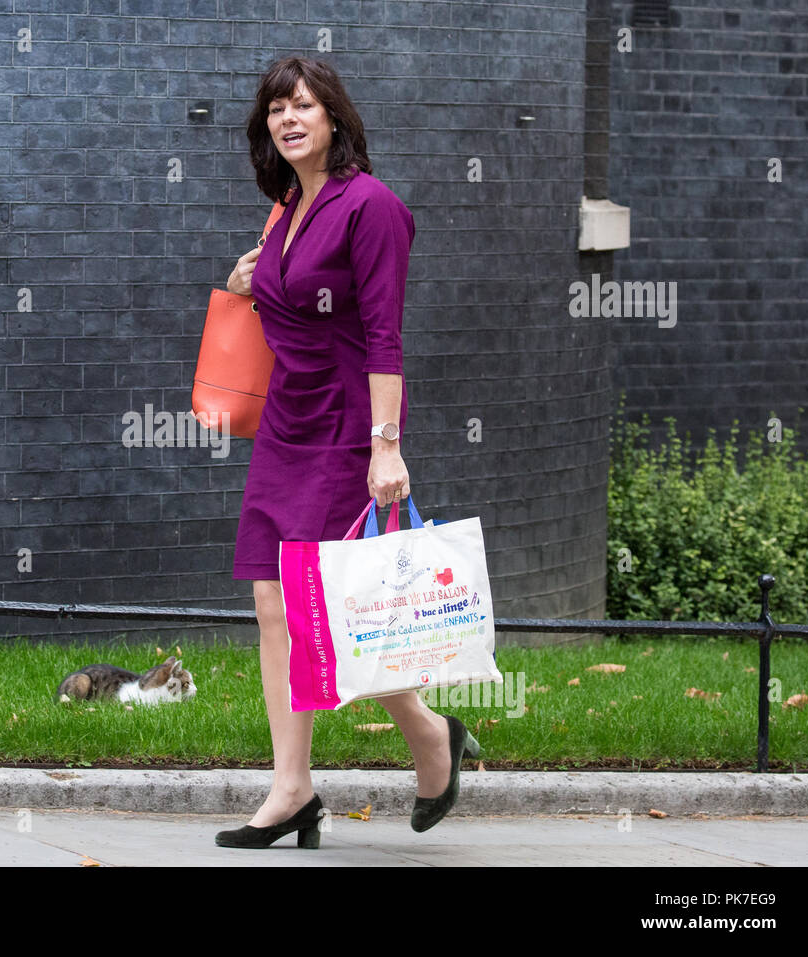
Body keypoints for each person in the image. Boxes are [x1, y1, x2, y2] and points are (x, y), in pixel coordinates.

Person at [214, 56, 479, 850]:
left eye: (305, 105)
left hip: (344, 426)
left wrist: (386, 446)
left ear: (335, 118)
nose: (289, 119)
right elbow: (284, 314)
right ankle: (291, 787)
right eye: (276, 109)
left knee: (333, 607)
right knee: (273, 605)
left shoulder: (372, 208)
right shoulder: (285, 206)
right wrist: (240, 284)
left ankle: (431, 735)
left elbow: (384, 334)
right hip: (286, 426)